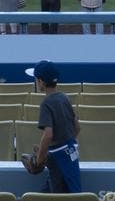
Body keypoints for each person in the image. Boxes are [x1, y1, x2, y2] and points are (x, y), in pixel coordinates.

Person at [22, 61, 81, 193]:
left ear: (41, 82)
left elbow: (48, 135)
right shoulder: (64, 98)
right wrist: (67, 145)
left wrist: (39, 159)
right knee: (70, 187)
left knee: (58, 197)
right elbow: (77, 127)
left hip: (57, 160)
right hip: (71, 152)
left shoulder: (46, 103)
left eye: (36, 79)